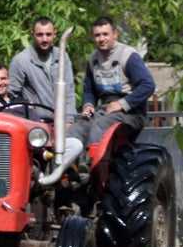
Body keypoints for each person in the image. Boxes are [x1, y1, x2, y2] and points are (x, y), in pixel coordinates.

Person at [67, 15, 156, 155]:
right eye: (97, 35)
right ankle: (70, 165)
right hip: (105, 109)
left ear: (115, 34)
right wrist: (88, 105)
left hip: (131, 112)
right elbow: (89, 89)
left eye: (105, 34)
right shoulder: (93, 58)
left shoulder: (128, 55)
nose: (101, 39)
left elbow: (148, 85)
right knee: (76, 129)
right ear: (92, 37)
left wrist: (121, 104)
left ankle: (91, 164)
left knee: (99, 126)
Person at [8, 16, 77, 125]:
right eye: (40, 35)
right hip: (34, 124)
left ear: (55, 34)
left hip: (61, 122)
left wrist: (68, 120)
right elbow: (11, 94)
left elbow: (68, 91)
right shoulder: (21, 60)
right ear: (32, 34)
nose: (44, 39)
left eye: (48, 34)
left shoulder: (62, 56)